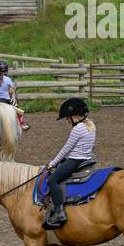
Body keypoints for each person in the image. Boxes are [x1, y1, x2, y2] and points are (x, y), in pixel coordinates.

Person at [42, 97, 96, 230]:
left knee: (53, 180)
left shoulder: (77, 129)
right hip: (86, 159)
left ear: (74, 115)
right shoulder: (91, 126)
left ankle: (59, 212)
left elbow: (66, 149)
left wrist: (52, 163)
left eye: (67, 117)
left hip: (75, 161)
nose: (67, 120)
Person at [0, 60, 30, 131]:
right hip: (6, 100)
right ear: (6, 71)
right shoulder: (8, 79)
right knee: (18, 110)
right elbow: (11, 91)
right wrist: (9, 95)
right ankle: (22, 123)